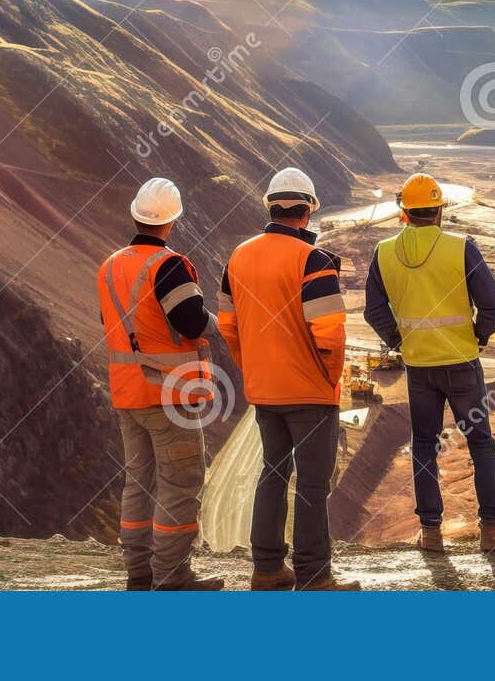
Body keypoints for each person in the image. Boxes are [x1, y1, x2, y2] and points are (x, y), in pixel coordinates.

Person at [218, 167, 360, 591]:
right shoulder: (313, 260)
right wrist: (327, 379)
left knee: (272, 472)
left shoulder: (238, 257)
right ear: (308, 211)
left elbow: (228, 326)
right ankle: (314, 574)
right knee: (313, 483)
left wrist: (253, 368)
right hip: (310, 392)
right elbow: (329, 332)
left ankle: (266, 569)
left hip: (265, 390)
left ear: (271, 208)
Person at [363, 173, 495, 553]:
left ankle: (431, 533)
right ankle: (492, 530)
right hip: (462, 363)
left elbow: (374, 311)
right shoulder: (460, 247)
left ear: (404, 212)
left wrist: (400, 341)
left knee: (424, 445)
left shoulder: (383, 252)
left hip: (419, 368)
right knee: (480, 442)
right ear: (439, 211)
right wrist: (479, 336)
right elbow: (492, 306)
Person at [97, 177, 224, 591]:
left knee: (139, 481)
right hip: (169, 394)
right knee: (181, 483)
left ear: (136, 214)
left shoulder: (111, 266)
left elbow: (115, 324)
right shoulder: (169, 266)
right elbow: (190, 321)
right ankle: (173, 576)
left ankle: (139, 572)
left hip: (127, 392)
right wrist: (218, 324)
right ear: (173, 220)